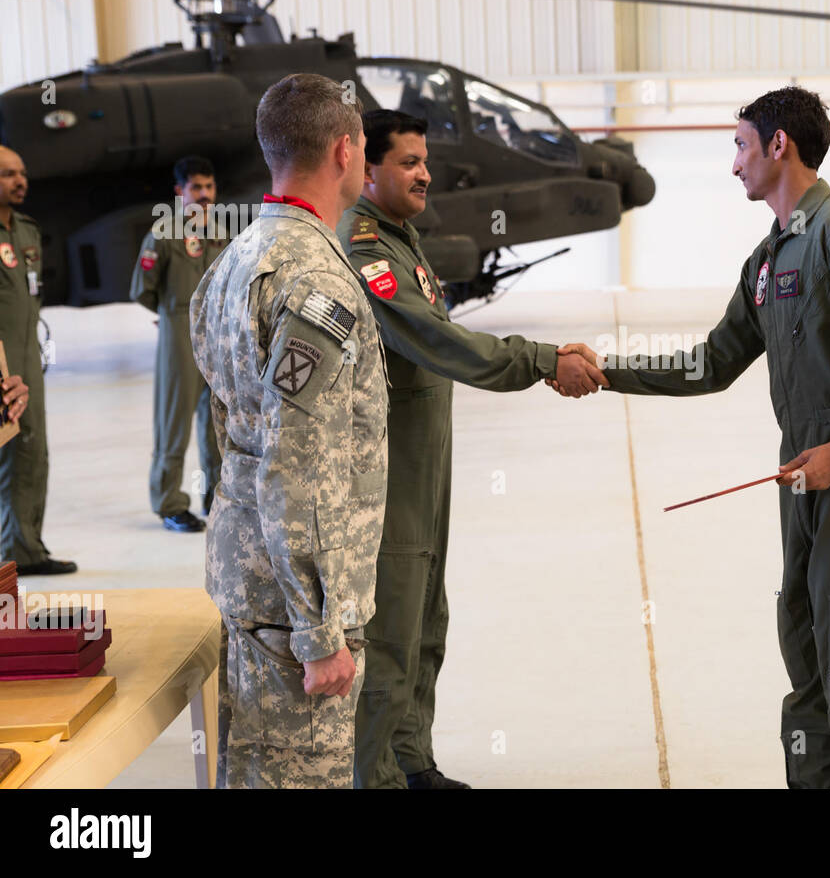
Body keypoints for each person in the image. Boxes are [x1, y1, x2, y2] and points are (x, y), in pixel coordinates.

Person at [558, 87, 830, 788]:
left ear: (778, 144)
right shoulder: (768, 259)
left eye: (739, 145)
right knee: (804, 632)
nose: (734, 165)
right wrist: (610, 372)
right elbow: (713, 361)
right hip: (803, 464)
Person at [339, 109, 608, 790]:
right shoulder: (366, 246)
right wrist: (544, 358)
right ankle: (374, 779)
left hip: (428, 465)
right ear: (367, 169)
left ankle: (411, 761)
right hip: (391, 474)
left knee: (426, 618)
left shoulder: (404, 238)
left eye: (425, 160)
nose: (425, 172)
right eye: (407, 162)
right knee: (393, 631)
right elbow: (440, 341)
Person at [190, 74, 388, 788]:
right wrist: (318, 632)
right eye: (364, 148)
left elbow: (227, 422)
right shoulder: (318, 285)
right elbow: (297, 466)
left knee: (246, 771)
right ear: (343, 151)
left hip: (246, 577)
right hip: (289, 609)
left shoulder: (234, 260)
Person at [130, 156, 228, 532]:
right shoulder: (163, 234)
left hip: (217, 334)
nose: (204, 195)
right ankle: (169, 502)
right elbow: (142, 289)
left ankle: (215, 498)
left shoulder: (222, 231)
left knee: (216, 424)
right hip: (179, 332)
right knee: (174, 424)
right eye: (196, 188)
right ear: (179, 191)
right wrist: (173, 313)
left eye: (209, 187)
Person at [0, 145, 73, 576]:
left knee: (32, 452)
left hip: (29, 362)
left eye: (22, 172)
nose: (20, 180)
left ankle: (25, 549)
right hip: (2, 366)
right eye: (8, 174)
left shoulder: (26, 230)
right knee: (8, 453)